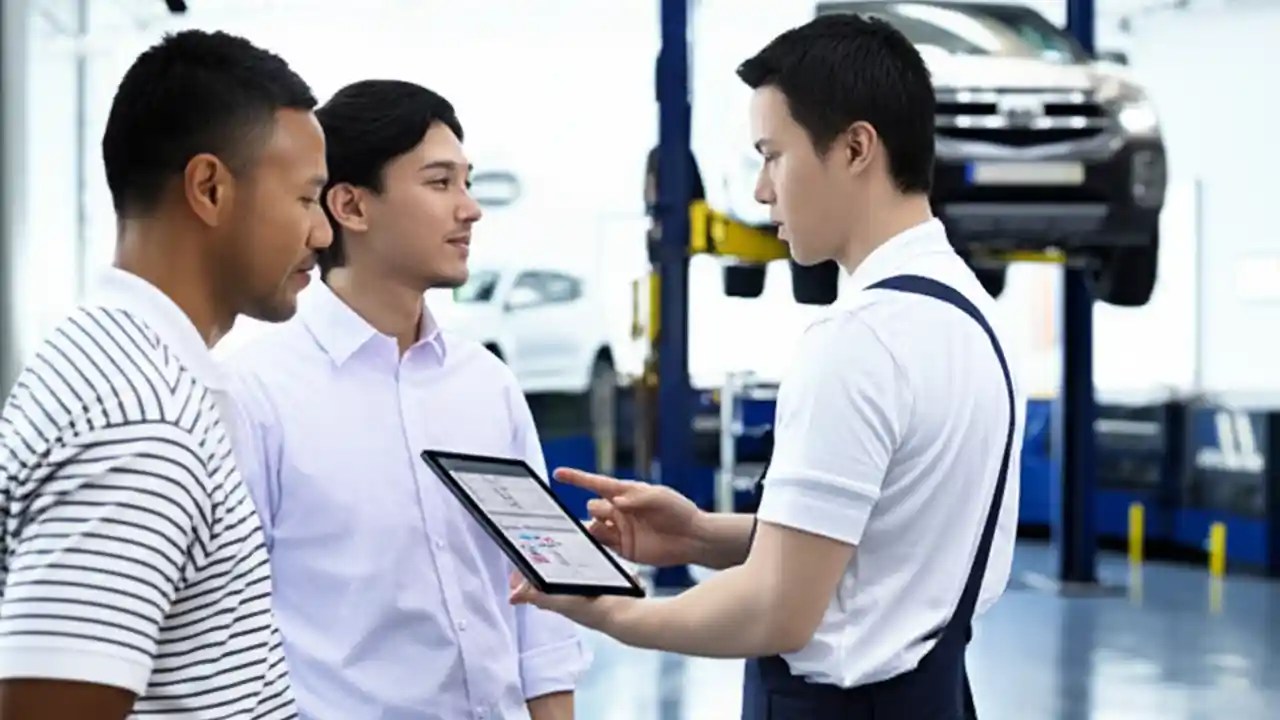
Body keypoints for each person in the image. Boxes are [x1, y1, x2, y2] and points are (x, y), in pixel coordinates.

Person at [509, 13, 1025, 720]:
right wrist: (697, 535)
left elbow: (778, 611)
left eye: (772, 154)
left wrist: (611, 613)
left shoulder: (859, 338)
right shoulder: (972, 318)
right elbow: (881, 544)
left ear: (855, 148)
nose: (760, 190)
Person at [219, 79, 588, 720]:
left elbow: (541, 606)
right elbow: (229, 632)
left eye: (467, 184)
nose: (469, 209)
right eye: (440, 183)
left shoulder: (487, 386)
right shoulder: (256, 394)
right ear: (352, 207)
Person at [0, 30, 329, 719]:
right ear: (209, 188)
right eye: (305, 200)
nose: (323, 235)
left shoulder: (108, 357)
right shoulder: (142, 424)